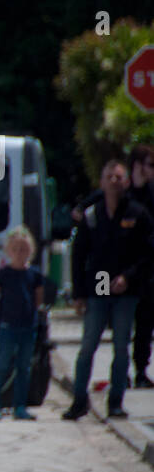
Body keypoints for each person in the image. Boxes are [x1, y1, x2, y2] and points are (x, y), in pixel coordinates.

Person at [65, 160, 154, 420]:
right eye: (109, 177)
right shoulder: (92, 216)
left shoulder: (138, 214)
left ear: (126, 182)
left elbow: (148, 252)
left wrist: (128, 276)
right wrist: (79, 294)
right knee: (88, 345)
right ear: (102, 182)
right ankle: (79, 400)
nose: (114, 181)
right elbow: (79, 255)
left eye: (118, 177)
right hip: (100, 282)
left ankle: (116, 401)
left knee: (121, 346)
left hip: (126, 287)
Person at [0, 228, 45, 421]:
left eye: (24, 249)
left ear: (31, 251)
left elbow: (38, 300)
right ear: (8, 251)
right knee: (1, 366)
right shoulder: (3, 274)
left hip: (28, 328)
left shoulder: (35, 275)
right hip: (7, 327)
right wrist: (3, 316)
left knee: (24, 368)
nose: (19, 253)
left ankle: (20, 407)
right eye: (15, 249)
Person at [126, 144, 154, 388]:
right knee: (120, 324)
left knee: (144, 324)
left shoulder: (152, 194)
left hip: (146, 270)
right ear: (137, 165)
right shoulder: (122, 193)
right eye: (150, 165)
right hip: (119, 271)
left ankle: (140, 371)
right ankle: (120, 373)